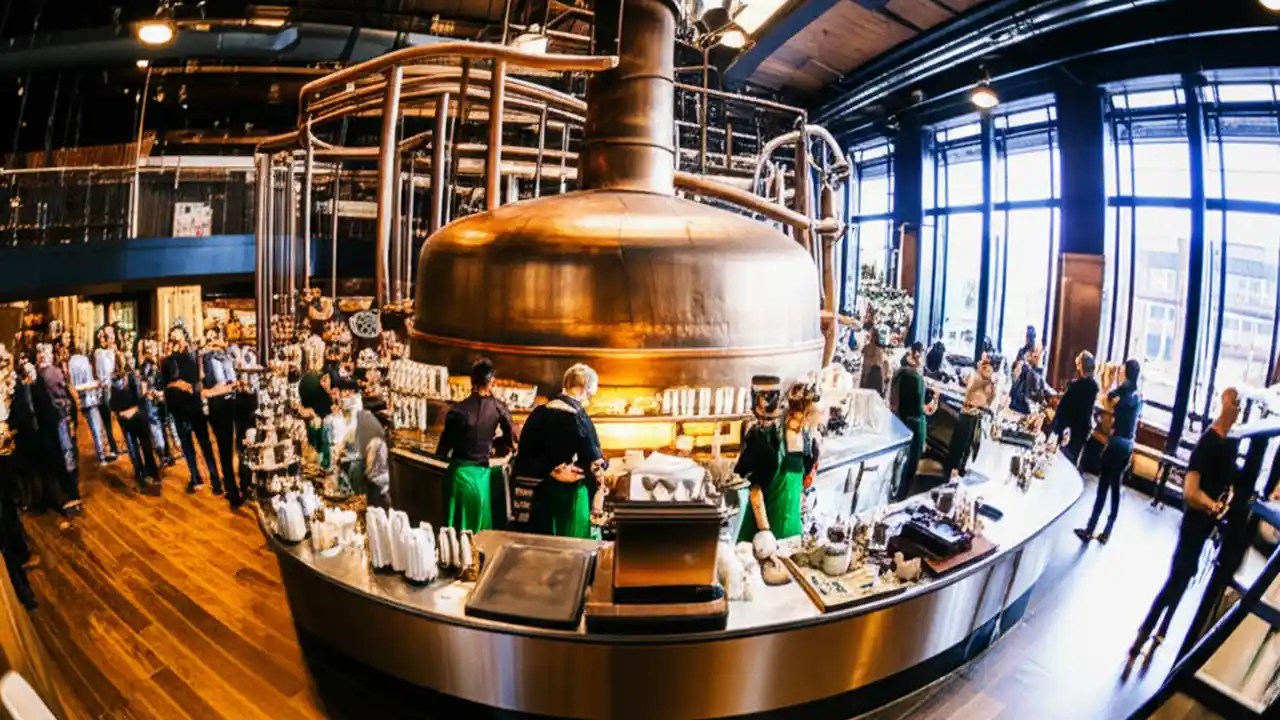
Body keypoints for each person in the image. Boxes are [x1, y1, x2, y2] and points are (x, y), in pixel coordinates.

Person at [1127, 387, 1239, 658]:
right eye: (1234, 403)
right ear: (1224, 404)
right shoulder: (1208, 443)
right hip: (1194, 524)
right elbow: (1191, 492)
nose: (1236, 409)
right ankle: (1144, 633)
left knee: (1184, 576)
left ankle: (1161, 628)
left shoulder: (1229, 444)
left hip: (1204, 526)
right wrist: (1214, 506)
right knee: (1178, 577)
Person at [513, 364, 605, 539]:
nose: (589, 400)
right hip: (573, 497)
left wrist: (551, 470)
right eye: (590, 395)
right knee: (574, 551)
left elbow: (524, 454)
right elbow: (594, 460)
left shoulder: (538, 414)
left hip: (543, 494)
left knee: (547, 550)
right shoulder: (579, 418)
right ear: (584, 390)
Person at [435, 358, 517, 532]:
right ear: (491, 382)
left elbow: (442, 450)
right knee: (478, 534)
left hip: (458, 477)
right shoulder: (499, 408)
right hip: (480, 478)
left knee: (453, 536)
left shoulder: (458, 410)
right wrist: (494, 444)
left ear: (472, 381)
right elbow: (512, 441)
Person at [736, 380, 821, 543]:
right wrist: (765, 533)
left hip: (792, 535)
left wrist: (800, 497)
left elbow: (798, 487)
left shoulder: (807, 443)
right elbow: (755, 492)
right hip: (762, 539)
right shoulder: (769, 441)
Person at [1075, 358, 1143, 544]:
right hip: (1129, 444)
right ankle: (1107, 531)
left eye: (1120, 371)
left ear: (1125, 373)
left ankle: (1090, 529)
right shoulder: (1138, 395)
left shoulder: (1122, 393)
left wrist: (1107, 385)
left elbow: (1107, 403)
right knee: (1115, 488)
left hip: (1116, 443)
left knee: (1103, 487)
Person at [162, 324, 221, 494]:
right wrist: (176, 384)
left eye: (178, 335)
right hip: (178, 408)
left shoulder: (194, 356)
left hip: (194, 406)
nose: (175, 339)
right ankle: (195, 477)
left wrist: (189, 387)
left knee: (204, 444)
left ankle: (215, 479)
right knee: (187, 445)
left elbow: (199, 381)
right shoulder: (168, 361)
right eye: (172, 336)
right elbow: (164, 384)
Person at [31, 344, 80, 516]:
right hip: (62, 417)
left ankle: (68, 496)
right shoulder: (56, 372)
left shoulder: (42, 376)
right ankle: (72, 493)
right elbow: (67, 393)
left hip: (52, 421)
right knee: (67, 454)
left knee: (60, 456)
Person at [201, 326, 243, 507]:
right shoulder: (204, 357)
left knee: (236, 445)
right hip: (217, 405)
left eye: (216, 336)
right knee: (225, 448)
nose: (214, 341)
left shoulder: (227, 355)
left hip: (232, 401)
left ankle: (235, 484)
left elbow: (234, 375)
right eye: (210, 337)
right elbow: (205, 387)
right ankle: (231, 489)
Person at [107, 351, 161, 494]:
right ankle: (152, 475)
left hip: (125, 419)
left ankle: (141, 476)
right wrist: (133, 409)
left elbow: (111, 404)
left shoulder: (113, 382)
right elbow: (140, 397)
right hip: (138, 416)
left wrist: (121, 413)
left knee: (133, 448)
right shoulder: (133, 377)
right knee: (145, 445)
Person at [890, 342, 938, 501]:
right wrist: (934, 401)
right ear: (920, 355)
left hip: (897, 422)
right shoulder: (916, 378)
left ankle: (892, 494)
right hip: (915, 426)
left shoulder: (898, 373)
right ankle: (901, 499)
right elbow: (922, 409)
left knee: (896, 465)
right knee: (910, 468)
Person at [944, 354, 996, 479]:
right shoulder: (975, 378)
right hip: (967, 415)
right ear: (982, 369)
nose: (989, 373)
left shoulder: (988, 384)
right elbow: (972, 395)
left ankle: (960, 468)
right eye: (988, 370)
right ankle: (953, 469)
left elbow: (989, 401)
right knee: (960, 443)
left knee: (968, 445)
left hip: (975, 416)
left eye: (991, 371)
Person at [68, 343, 117, 465]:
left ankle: (101, 453)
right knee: (96, 429)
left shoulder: (70, 362)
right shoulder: (83, 361)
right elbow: (88, 381)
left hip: (80, 400)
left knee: (92, 428)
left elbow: (73, 385)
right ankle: (102, 456)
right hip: (90, 398)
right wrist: (96, 384)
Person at [1052, 351, 1101, 465]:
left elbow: (1063, 408)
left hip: (1070, 425)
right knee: (1073, 457)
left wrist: (1055, 426)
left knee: (1062, 456)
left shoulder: (1075, 386)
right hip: (1084, 426)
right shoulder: (1094, 387)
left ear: (1080, 366)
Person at [92, 325, 125, 459]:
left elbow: (121, 370)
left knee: (119, 417)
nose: (103, 338)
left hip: (114, 388)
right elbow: (95, 370)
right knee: (106, 420)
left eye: (105, 336)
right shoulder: (98, 352)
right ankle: (111, 446)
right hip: (103, 390)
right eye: (101, 336)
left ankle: (120, 444)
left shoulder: (115, 353)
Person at [1009, 344, 1048, 414]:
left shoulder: (1033, 373)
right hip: (1020, 409)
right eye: (1038, 354)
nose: (1040, 358)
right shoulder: (1029, 372)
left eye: (1041, 355)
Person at [860, 328, 892, 398]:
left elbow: (888, 375)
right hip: (870, 382)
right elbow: (888, 375)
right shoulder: (881, 353)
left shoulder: (879, 352)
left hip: (871, 381)